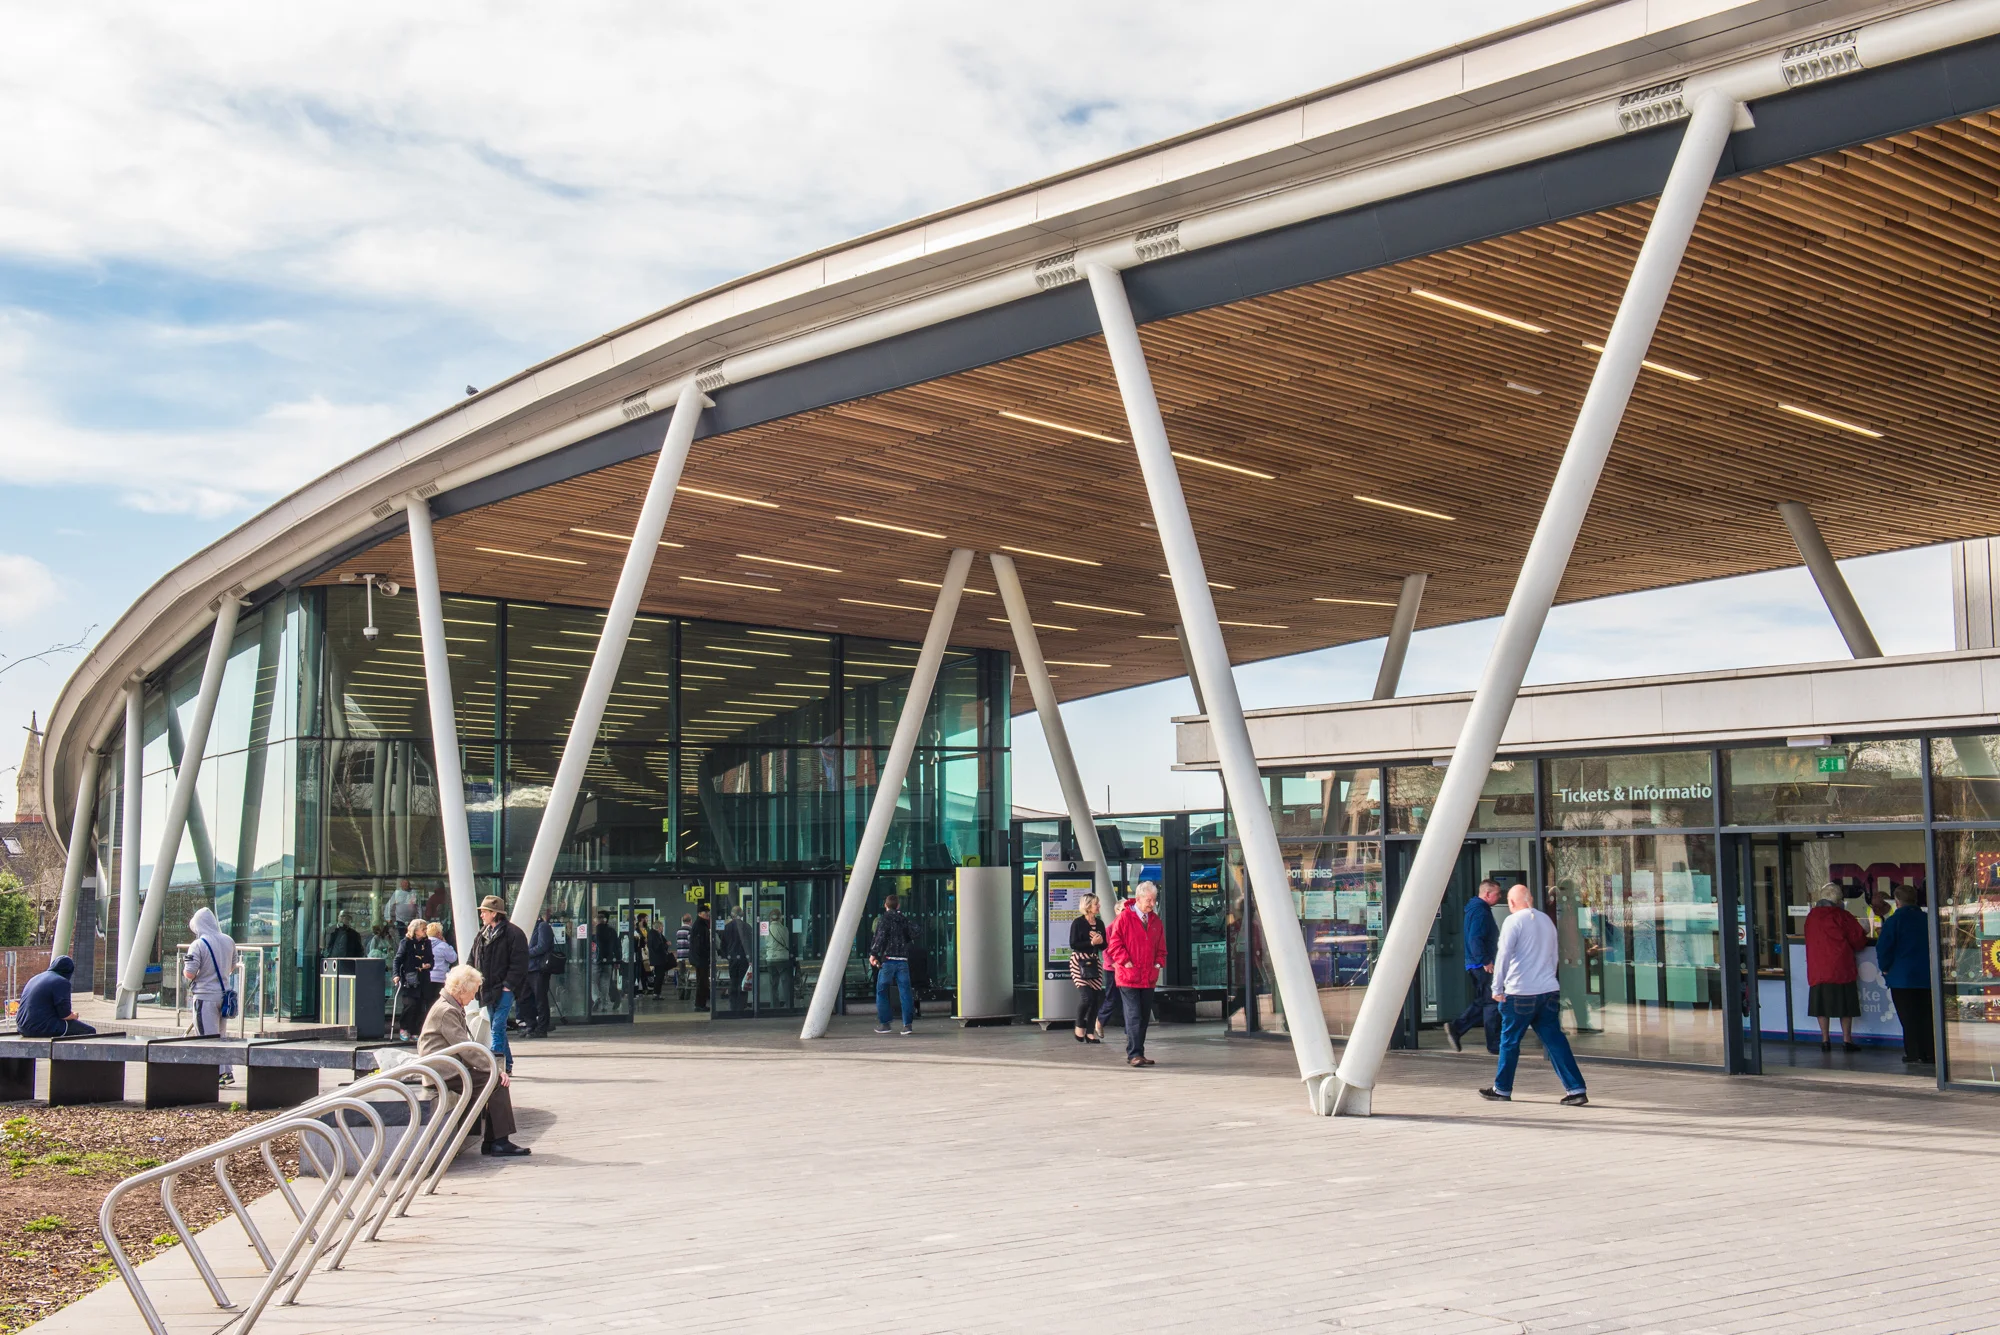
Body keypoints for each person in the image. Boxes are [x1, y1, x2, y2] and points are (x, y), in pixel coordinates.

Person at [1479, 885, 1587, 1106]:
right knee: (1555, 1040)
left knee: (1509, 1041)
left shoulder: (1513, 922)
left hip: (1520, 992)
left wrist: (1496, 988)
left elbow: (1504, 956)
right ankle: (1576, 1089)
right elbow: (1553, 954)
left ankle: (1502, 1088)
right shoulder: (1546, 921)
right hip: (1547, 990)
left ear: (1511, 903)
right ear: (1531, 899)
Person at [418, 963, 530, 1158]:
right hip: (444, 1071)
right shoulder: (447, 1011)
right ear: (462, 990)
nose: (474, 997)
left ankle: (495, 1141)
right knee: (496, 1082)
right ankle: (498, 1142)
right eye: (473, 992)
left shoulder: (449, 1006)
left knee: (494, 1081)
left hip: (448, 1068)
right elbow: (465, 1048)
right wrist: (493, 1068)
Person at [1107, 882, 1167, 1068]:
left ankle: (1137, 1052)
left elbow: (1161, 948)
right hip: (1129, 976)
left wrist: (1158, 963)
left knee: (1142, 1015)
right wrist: (1126, 961)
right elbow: (1114, 944)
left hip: (1148, 976)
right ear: (1139, 898)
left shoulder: (1156, 921)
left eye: (1154, 900)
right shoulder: (1124, 918)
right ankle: (1134, 1054)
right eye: (1149, 900)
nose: (1152, 904)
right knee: (1133, 1015)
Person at [1873, 883, 1934, 1065]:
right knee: (1926, 1015)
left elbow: (1883, 948)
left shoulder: (1893, 921)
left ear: (1897, 902)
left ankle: (1913, 1053)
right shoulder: (1927, 919)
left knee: (1908, 1017)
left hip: (1902, 979)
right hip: (1926, 977)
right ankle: (1930, 1052)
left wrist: (1885, 968)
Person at [1803, 884, 1868, 1052]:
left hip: (1818, 968)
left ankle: (1825, 1040)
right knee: (1845, 1005)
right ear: (1838, 900)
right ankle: (1847, 1040)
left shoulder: (1811, 917)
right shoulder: (1842, 916)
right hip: (1841, 967)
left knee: (1821, 1005)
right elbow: (1858, 941)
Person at [469, 895, 528, 1075]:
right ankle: (507, 1064)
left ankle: (495, 1065)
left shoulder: (514, 934)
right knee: (497, 1024)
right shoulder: (482, 934)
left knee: (497, 1026)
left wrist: (508, 985)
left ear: (495, 913)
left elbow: (520, 962)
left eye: (484, 912)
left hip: (504, 988)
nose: (482, 915)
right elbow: (473, 958)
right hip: (487, 988)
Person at [1444, 880, 1504, 1055]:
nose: (1499, 897)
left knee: (1484, 1001)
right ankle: (1494, 1044)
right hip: (1482, 965)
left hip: (1476, 964)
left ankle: (1457, 1028)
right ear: (1487, 894)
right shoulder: (1480, 912)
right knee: (1492, 1002)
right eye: (1497, 894)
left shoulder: (1476, 909)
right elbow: (1475, 938)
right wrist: (1485, 961)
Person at [184, 906, 239, 1087]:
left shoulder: (198, 944)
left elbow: (189, 974)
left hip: (204, 996)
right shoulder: (228, 941)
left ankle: (215, 1075)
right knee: (221, 1036)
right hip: (224, 997)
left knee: (206, 1037)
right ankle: (226, 1072)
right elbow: (232, 966)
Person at [869, 892, 919, 1034]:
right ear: (898, 905)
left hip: (888, 960)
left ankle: (885, 1023)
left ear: (885, 905)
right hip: (902, 960)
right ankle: (907, 1025)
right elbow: (916, 931)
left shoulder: (883, 920)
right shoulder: (903, 919)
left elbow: (879, 938)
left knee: (882, 990)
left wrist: (873, 954)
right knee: (905, 992)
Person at [15, 956, 93, 1037]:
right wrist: (75, 1015)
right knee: (89, 1031)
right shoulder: (61, 982)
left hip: (22, 1027)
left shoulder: (35, 978)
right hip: (40, 1027)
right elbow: (65, 1015)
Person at [1067, 893, 1108, 1043]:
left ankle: (1090, 1033)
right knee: (1087, 997)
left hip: (1094, 961)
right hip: (1079, 961)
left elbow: (1104, 946)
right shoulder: (1078, 923)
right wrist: (1091, 943)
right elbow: (1073, 943)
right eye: (1096, 904)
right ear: (1088, 906)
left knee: (1096, 998)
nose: (1099, 906)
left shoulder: (1100, 924)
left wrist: (1100, 941)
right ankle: (1079, 1025)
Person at [1094, 897, 1132, 1041]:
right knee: (1112, 998)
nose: (1124, 912)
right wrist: (1114, 964)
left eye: (1126, 909)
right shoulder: (1110, 929)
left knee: (1128, 1000)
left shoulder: (1131, 928)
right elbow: (1106, 950)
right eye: (1121, 909)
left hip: (1126, 969)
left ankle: (1130, 1030)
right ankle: (1100, 1021)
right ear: (1116, 911)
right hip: (1113, 969)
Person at [391, 918, 433, 1041]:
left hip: (423, 978)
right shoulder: (406, 942)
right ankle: (404, 1028)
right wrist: (396, 975)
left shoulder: (427, 943)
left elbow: (431, 959)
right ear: (415, 931)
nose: (426, 931)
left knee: (421, 1006)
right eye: (423, 929)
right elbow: (397, 959)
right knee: (410, 1004)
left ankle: (416, 1030)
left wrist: (429, 964)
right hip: (409, 978)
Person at [525, 908, 556, 1037]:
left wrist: (525, 953)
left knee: (540, 999)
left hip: (538, 969)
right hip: (527, 968)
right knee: (526, 998)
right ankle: (531, 1025)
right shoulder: (528, 928)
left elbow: (542, 946)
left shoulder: (542, 926)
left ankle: (542, 1027)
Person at [723, 904, 753, 1014]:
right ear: (742, 914)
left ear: (732, 915)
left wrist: (728, 956)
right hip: (744, 959)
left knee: (733, 981)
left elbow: (723, 945)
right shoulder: (747, 926)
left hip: (732, 959)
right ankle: (742, 1005)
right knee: (743, 982)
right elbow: (750, 944)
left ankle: (733, 1005)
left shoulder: (727, 927)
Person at [425, 919, 458, 1019]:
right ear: (439, 933)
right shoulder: (443, 946)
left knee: (428, 1004)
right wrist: (448, 945)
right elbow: (453, 958)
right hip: (440, 978)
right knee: (439, 1004)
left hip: (427, 978)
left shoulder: (423, 945)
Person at [593, 910, 622, 1006]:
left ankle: (598, 998)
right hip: (609, 959)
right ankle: (605, 1003)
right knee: (606, 981)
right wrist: (618, 959)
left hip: (596, 960)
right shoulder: (612, 931)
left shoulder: (595, 931)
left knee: (594, 981)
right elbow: (617, 946)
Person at [691, 904, 714, 1009]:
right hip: (701, 959)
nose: (708, 914)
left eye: (708, 912)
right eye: (706, 912)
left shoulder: (700, 924)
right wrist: (706, 954)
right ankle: (700, 1004)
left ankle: (700, 1003)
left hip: (699, 958)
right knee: (702, 982)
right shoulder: (700, 925)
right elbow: (700, 944)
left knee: (702, 981)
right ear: (700, 914)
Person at [646, 917, 673, 1000]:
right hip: (659, 959)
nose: (662, 928)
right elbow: (658, 947)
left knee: (659, 976)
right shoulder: (655, 935)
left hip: (657, 958)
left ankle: (657, 993)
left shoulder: (653, 934)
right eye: (661, 927)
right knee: (659, 976)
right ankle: (656, 993)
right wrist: (666, 945)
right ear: (658, 927)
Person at [675, 914, 694, 998]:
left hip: (680, 956)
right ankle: (687, 995)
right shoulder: (690, 930)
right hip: (688, 956)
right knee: (688, 975)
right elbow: (691, 943)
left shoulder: (678, 930)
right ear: (690, 921)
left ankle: (680, 994)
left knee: (681, 974)